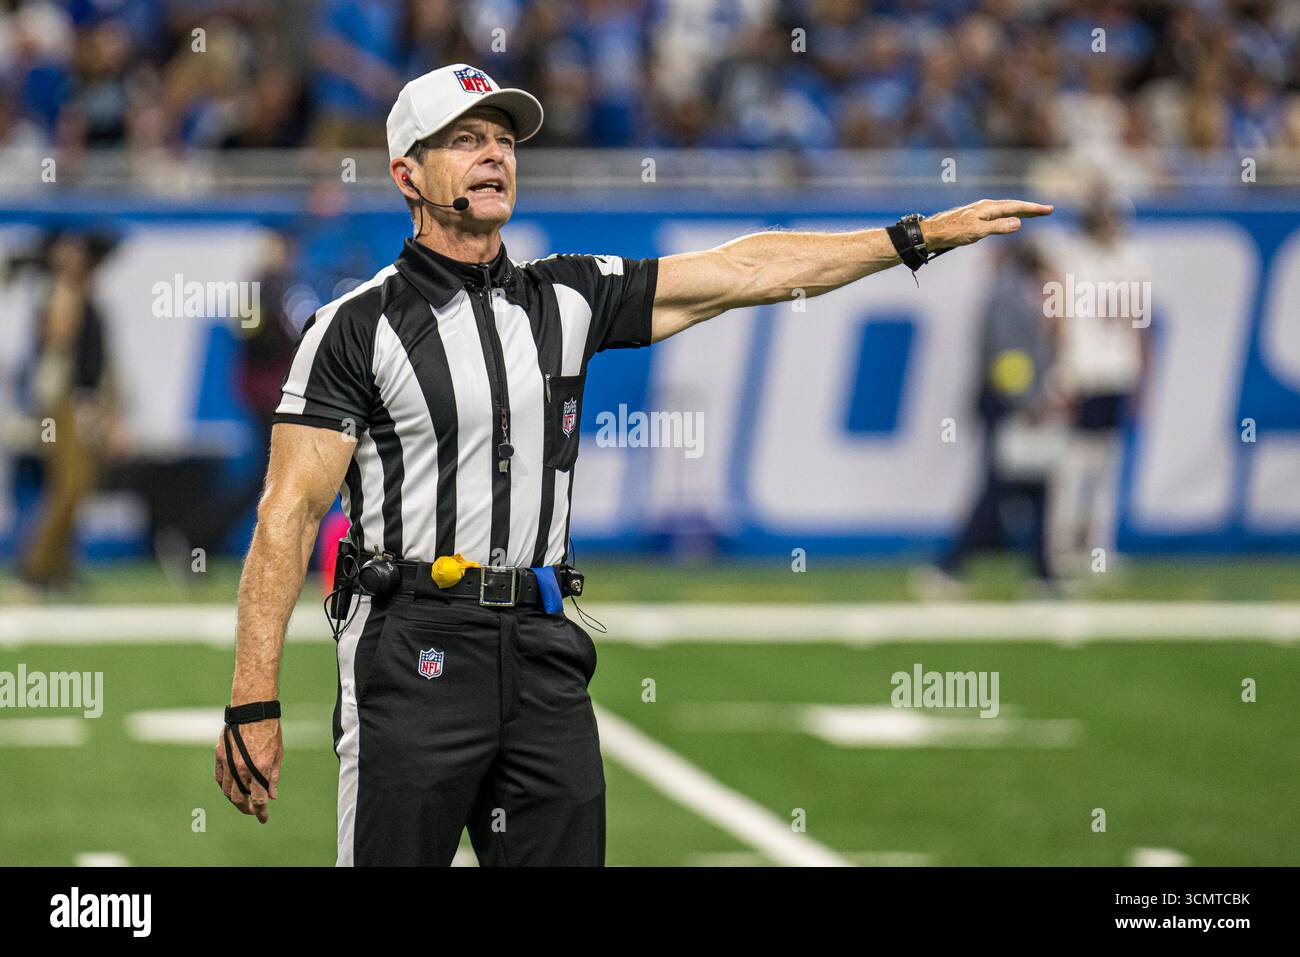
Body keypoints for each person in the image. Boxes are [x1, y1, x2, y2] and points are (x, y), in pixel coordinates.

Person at [212, 62, 1052, 866]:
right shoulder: (355, 327)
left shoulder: (567, 295)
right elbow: (286, 512)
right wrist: (255, 695)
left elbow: (744, 270)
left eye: (504, 139)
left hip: (544, 646)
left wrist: (909, 238)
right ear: (408, 172)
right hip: (413, 646)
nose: (495, 153)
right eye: (466, 139)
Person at [915, 240, 1059, 599]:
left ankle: (1041, 572)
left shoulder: (1010, 290)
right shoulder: (1009, 294)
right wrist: (1028, 401)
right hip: (1008, 403)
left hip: (1008, 401)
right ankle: (950, 565)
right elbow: (1007, 358)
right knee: (1002, 489)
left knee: (1026, 488)